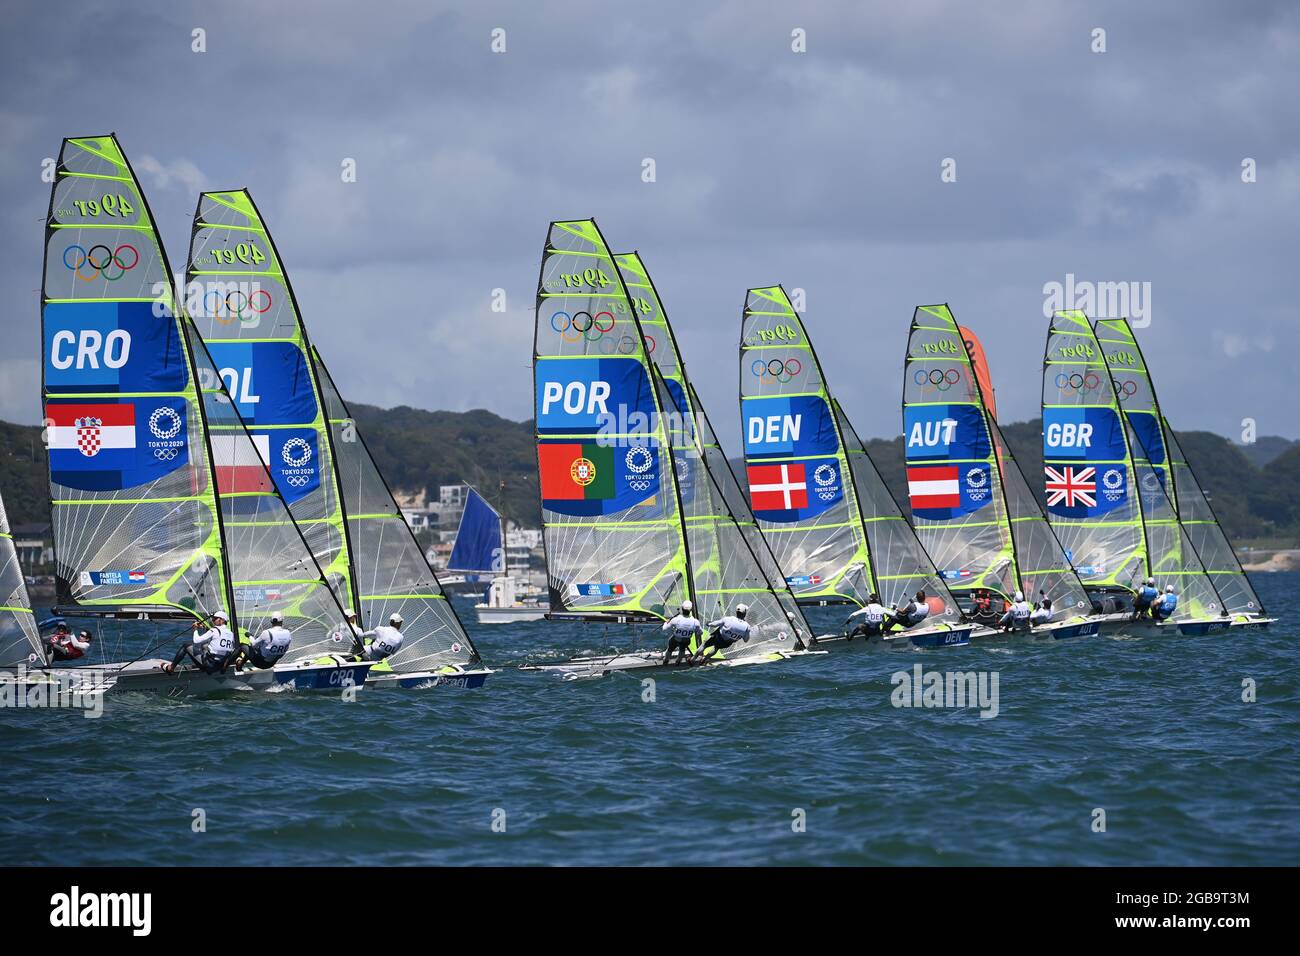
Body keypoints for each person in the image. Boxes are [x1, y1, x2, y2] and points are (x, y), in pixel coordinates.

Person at [165, 610, 235, 674]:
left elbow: (196, 640)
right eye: (213, 619)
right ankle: (207, 668)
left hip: (210, 666)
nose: (213, 620)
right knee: (205, 645)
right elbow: (217, 641)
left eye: (215, 619)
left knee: (185, 646)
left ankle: (171, 668)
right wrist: (204, 627)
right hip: (219, 666)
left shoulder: (214, 630)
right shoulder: (230, 633)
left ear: (222, 620)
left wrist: (195, 629)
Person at [661, 600, 702, 666]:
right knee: (682, 649)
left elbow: (664, 628)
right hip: (686, 640)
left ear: (682, 609)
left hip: (676, 639)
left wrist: (666, 622)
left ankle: (666, 660)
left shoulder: (676, 619)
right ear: (691, 610)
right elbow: (700, 632)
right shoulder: (696, 622)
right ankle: (678, 662)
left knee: (670, 649)